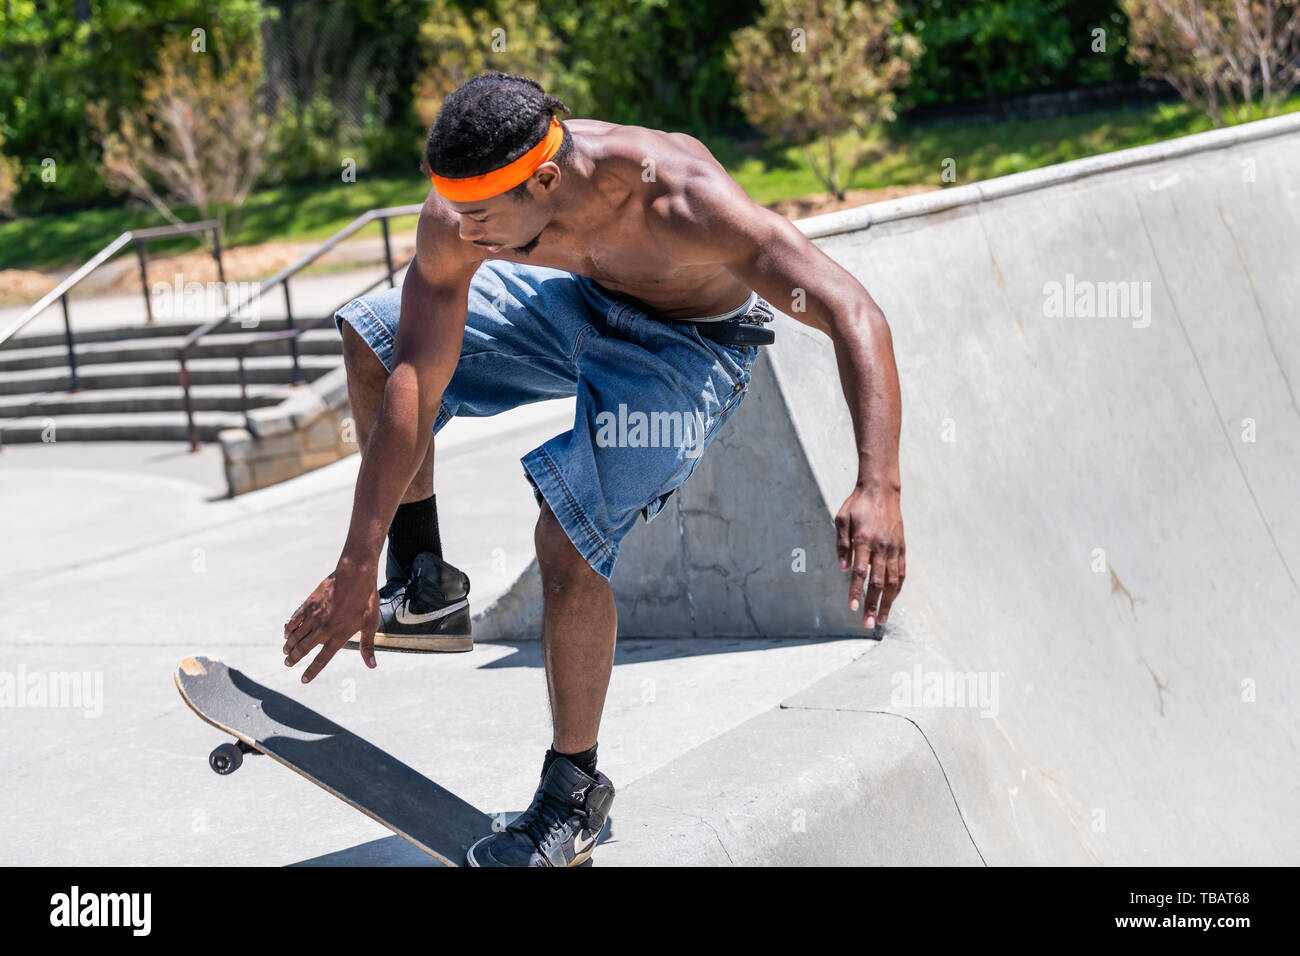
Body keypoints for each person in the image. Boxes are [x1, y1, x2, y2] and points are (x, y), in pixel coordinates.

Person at [281, 72, 905, 867]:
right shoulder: (459, 214)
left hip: (688, 352)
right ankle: (427, 582)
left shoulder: (682, 199)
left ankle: (573, 790)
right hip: (576, 304)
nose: (461, 233)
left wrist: (878, 484)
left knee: (567, 535)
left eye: (482, 219)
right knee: (375, 335)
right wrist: (358, 561)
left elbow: (854, 309)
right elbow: (415, 375)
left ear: (544, 178)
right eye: (456, 211)